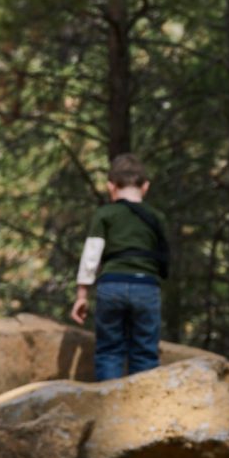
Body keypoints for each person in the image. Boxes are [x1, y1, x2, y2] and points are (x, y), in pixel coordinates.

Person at [70, 153, 170, 381]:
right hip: (146, 286)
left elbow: (91, 255)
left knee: (109, 351)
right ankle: (144, 400)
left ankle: (110, 396)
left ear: (110, 186)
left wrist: (82, 295)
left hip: (112, 285)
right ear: (145, 186)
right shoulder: (156, 217)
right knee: (145, 353)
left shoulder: (105, 214)